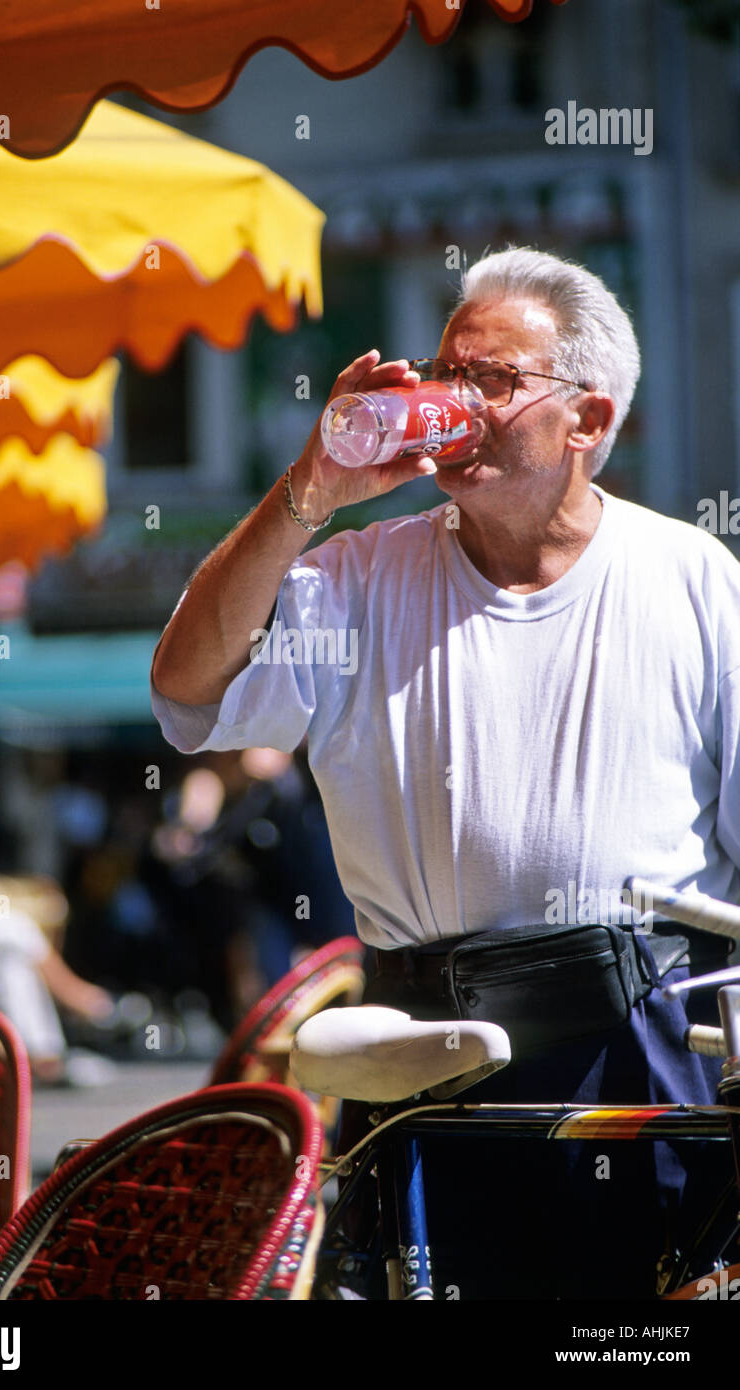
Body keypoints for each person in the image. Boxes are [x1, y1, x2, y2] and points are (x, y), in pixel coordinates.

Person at [148, 247, 740, 1297]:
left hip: (638, 1035)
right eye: (443, 371)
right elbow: (189, 690)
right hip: (422, 1054)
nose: (452, 401)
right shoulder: (357, 574)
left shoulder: (691, 576)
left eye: (493, 380)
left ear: (587, 422)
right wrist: (309, 491)